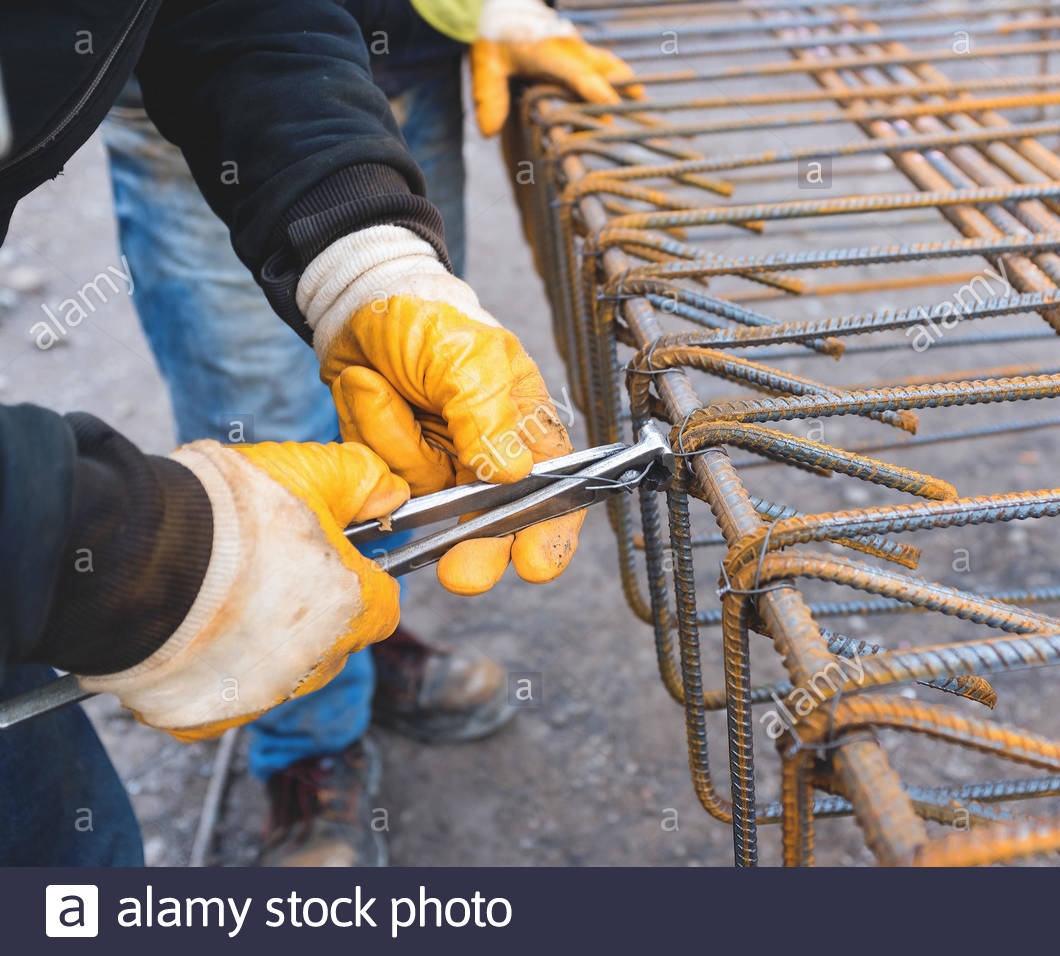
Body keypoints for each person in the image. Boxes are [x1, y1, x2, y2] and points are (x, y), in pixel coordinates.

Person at [0, 0, 630, 866]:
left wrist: (362, 252)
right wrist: (130, 552)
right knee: (259, 459)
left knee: (400, 436)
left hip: (364, 70)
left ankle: (355, 640)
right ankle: (308, 741)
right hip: (180, 135)